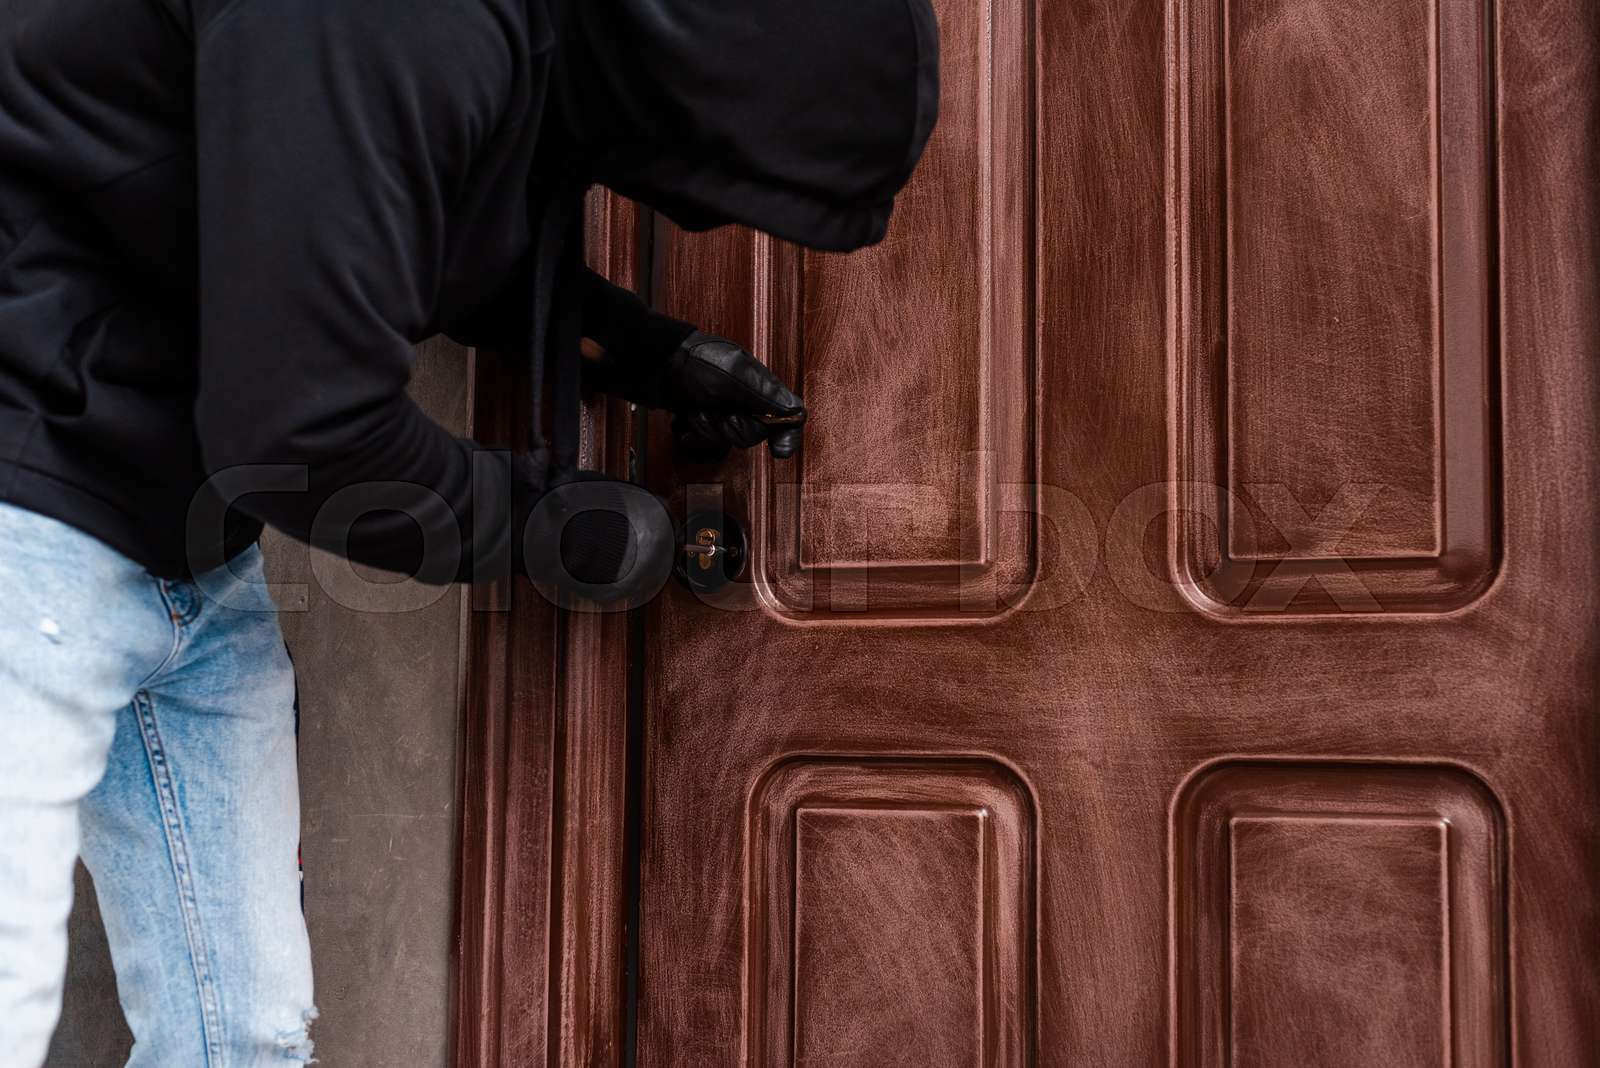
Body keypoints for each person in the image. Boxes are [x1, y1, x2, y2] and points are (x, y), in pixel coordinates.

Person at [0, 0, 938, 1064]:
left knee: (243, 1042)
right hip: (26, 525)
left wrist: (645, 355)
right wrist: (555, 529)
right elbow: (304, 432)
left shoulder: (480, 41)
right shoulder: (384, 18)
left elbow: (384, 226)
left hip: (186, 554)